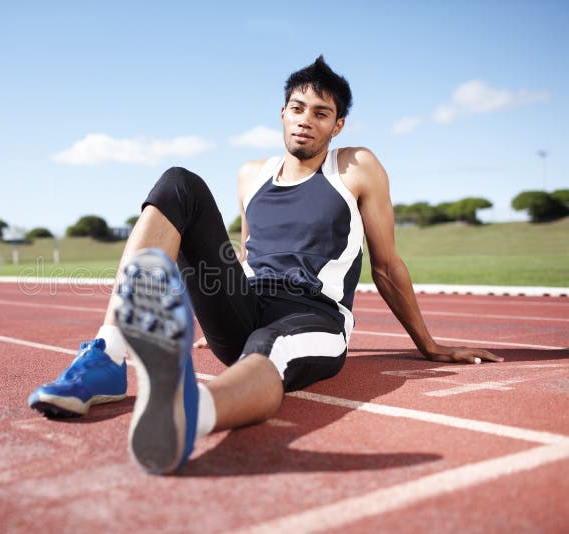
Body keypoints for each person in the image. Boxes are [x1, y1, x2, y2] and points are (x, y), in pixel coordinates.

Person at [28, 56, 503, 475]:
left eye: (321, 113)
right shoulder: (251, 175)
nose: (306, 120)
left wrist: (428, 345)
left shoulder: (355, 167)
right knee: (178, 184)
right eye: (298, 108)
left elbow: (386, 265)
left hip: (313, 313)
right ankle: (109, 356)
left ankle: (187, 415)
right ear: (282, 113)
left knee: (269, 347)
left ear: (338, 125)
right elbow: (246, 256)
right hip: (248, 303)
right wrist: (213, 313)